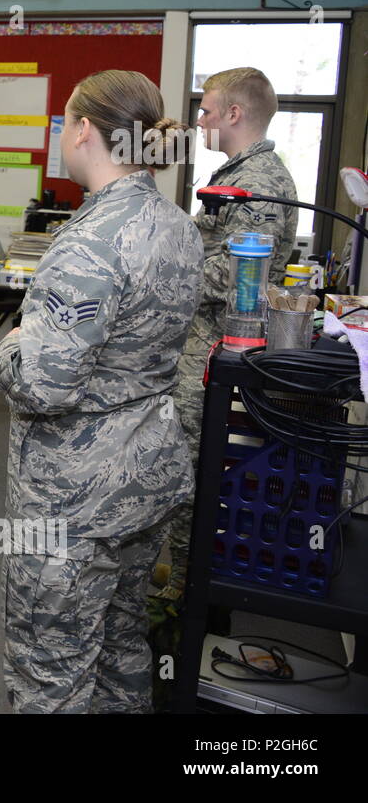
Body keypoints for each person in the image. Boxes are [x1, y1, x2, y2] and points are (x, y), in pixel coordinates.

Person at [0, 69, 203, 714]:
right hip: (143, 475)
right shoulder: (178, 226)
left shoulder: (89, 240)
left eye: (63, 121)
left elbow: (42, 384)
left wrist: (11, 342)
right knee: (120, 642)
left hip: (71, 497)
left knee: (50, 666)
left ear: (83, 130)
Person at [157, 67, 298, 601]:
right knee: (187, 465)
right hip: (202, 344)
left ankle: (188, 600)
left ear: (234, 114)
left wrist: (162, 272)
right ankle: (188, 581)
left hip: (212, 351)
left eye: (206, 110)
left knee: (190, 470)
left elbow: (237, 274)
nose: (200, 120)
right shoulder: (241, 174)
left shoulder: (259, 183)